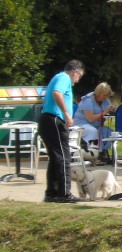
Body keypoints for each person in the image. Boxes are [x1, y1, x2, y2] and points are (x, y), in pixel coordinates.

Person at [38, 60, 86, 203]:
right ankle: (64, 193)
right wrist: (66, 113)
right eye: (79, 76)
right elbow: (57, 93)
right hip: (55, 120)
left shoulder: (58, 77)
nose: (77, 81)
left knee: (55, 158)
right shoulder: (64, 78)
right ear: (75, 72)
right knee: (64, 157)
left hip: (48, 120)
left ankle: (51, 193)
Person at [71, 81, 116, 159]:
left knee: (108, 131)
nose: (106, 97)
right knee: (93, 131)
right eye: (104, 95)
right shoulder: (87, 101)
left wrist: (112, 110)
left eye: (107, 95)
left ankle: (103, 153)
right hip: (82, 124)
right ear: (98, 93)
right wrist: (104, 112)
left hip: (96, 125)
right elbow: (90, 118)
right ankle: (93, 155)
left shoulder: (105, 101)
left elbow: (109, 109)